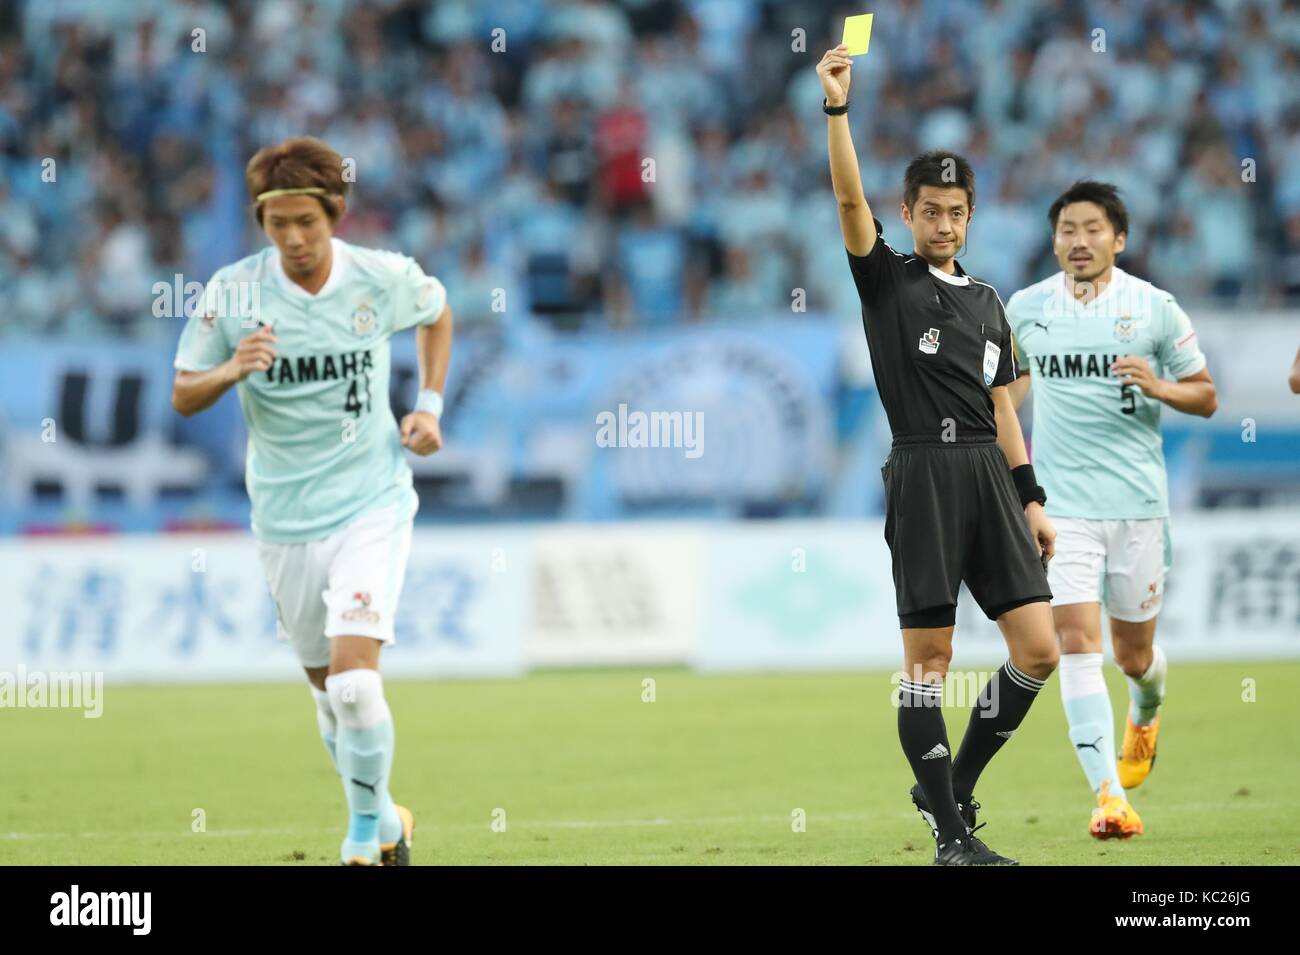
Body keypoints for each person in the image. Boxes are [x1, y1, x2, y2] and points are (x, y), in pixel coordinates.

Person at [171, 137, 453, 866]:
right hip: (284, 517)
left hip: (370, 500)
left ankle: (362, 844)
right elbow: (182, 391)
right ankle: (389, 819)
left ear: (335, 215)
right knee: (331, 698)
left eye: (308, 222)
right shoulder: (234, 293)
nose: (294, 239)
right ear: (261, 222)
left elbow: (438, 310)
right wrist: (233, 367)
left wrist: (428, 405)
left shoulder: (377, 277)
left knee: (358, 683)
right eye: (278, 224)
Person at [817, 45, 1059, 865]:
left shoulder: (990, 303)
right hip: (922, 472)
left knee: (1039, 648)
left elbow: (1004, 409)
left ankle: (949, 782)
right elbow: (849, 197)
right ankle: (953, 840)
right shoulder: (885, 282)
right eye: (931, 211)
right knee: (930, 660)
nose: (945, 223)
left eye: (957, 211)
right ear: (910, 214)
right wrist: (838, 110)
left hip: (990, 474)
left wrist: (1031, 496)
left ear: (970, 216)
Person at [1007, 180, 1216, 838]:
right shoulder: (1026, 309)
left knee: (1133, 656)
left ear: (1118, 240)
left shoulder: (1154, 309)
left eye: (1093, 228)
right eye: (1068, 228)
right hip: (1062, 507)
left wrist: (1159, 385)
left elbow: (1207, 396)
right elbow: (1006, 396)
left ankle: (1146, 708)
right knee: (1075, 642)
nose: (1079, 240)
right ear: (1054, 239)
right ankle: (1108, 795)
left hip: (1137, 507)